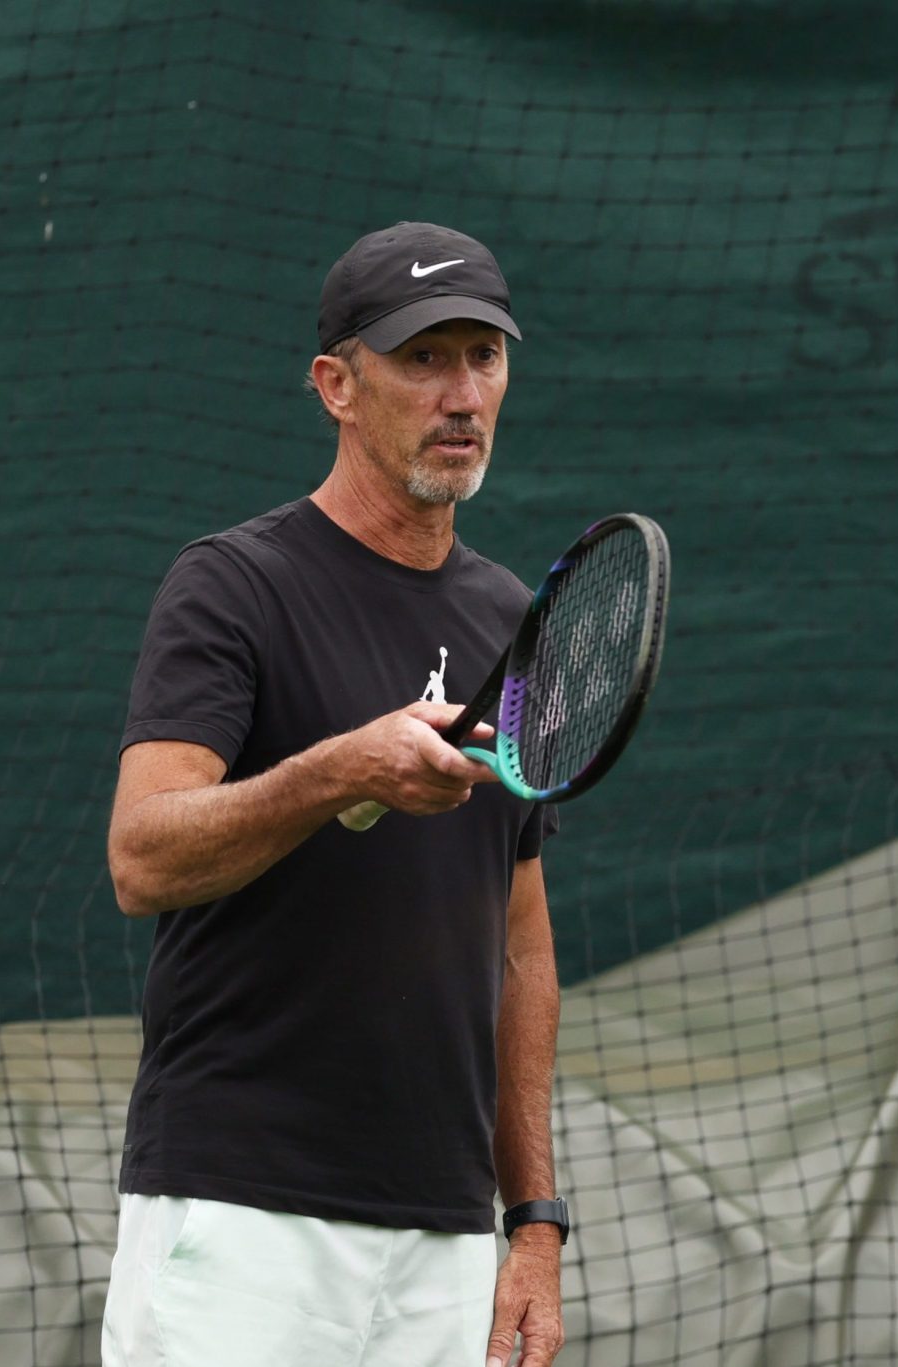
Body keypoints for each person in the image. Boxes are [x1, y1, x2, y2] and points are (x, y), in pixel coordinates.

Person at [103, 222, 568, 1367]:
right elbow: (143, 858)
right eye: (422, 359)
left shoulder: (515, 618)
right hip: (241, 1215)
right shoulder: (232, 585)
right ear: (337, 385)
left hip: (446, 1239)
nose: (461, 394)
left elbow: (520, 945)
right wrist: (343, 769)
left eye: (484, 357)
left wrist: (536, 1222)